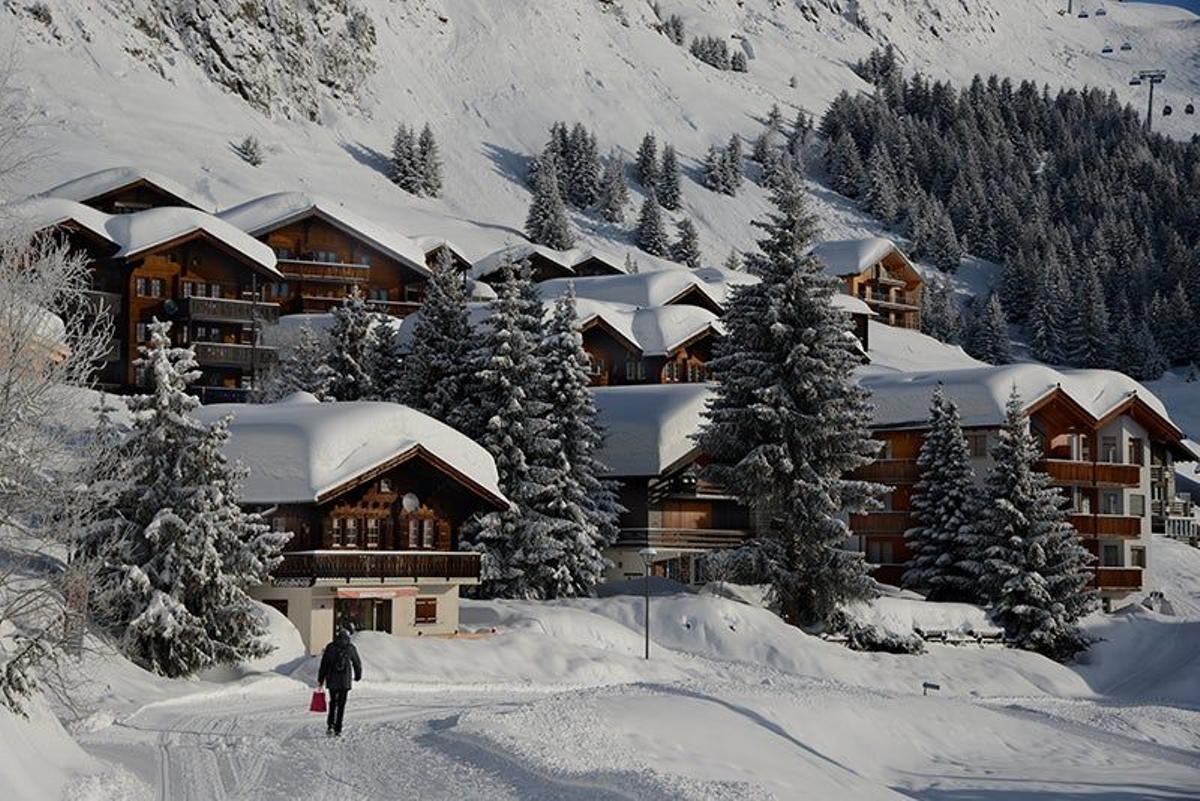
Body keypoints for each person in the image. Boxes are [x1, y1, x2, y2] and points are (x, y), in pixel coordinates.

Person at [317, 629, 362, 736]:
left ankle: (330, 725)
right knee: (341, 705)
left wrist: (321, 678)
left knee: (333, 702)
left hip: (332, 680)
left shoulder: (331, 647)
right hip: (344, 681)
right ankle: (338, 728)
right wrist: (357, 676)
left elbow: (324, 664)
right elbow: (357, 663)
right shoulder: (350, 648)